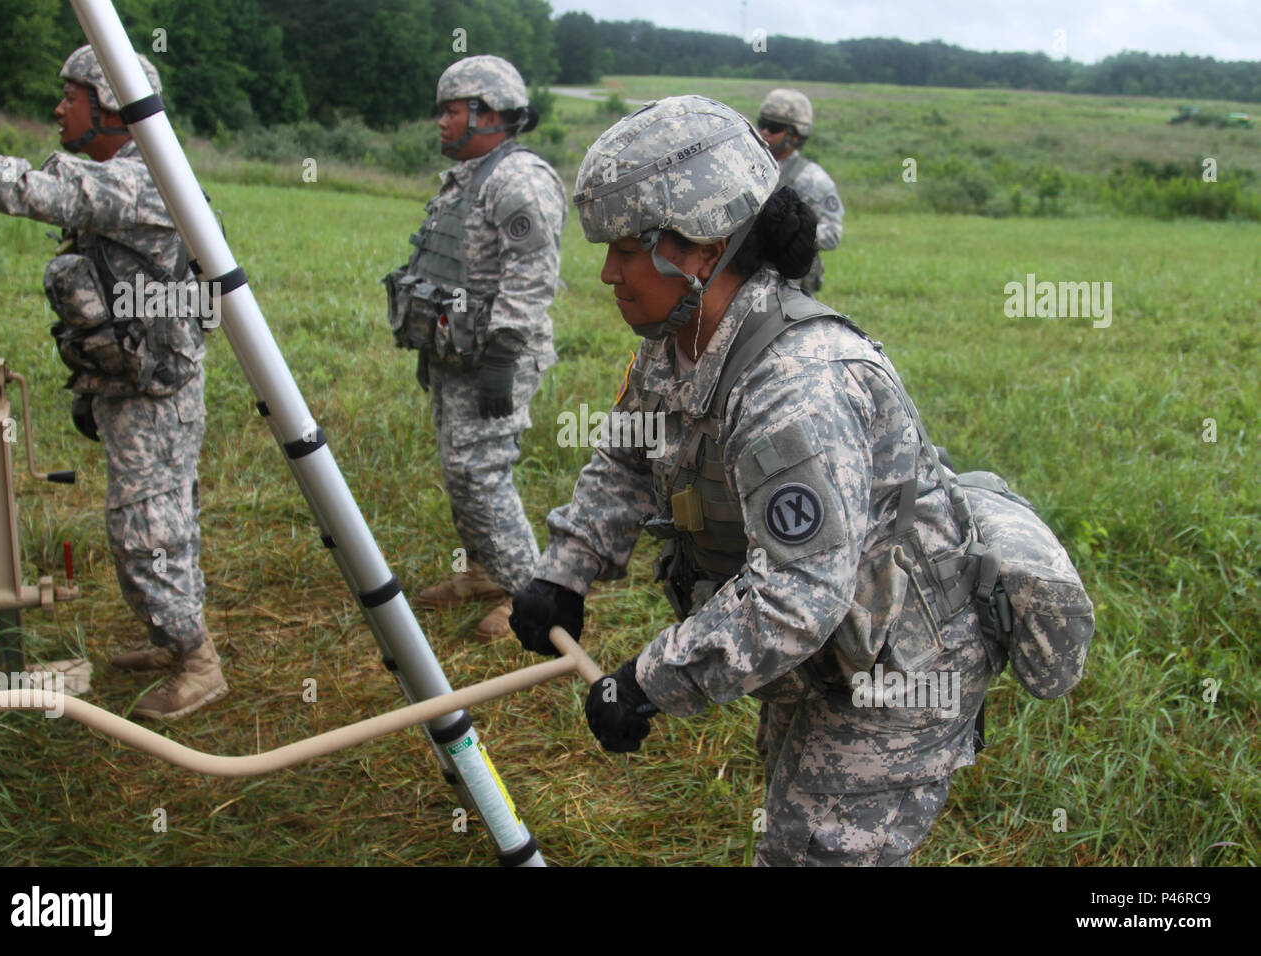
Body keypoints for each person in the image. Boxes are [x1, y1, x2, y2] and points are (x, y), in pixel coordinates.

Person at [509, 96, 997, 866]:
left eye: (627, 249)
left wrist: (647, 681)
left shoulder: (799, 386)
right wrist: (564, 571)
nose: (606, 273)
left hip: (893, 672)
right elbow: (630, 454)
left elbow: (798, 593)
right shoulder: (677, 342)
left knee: (815, 853)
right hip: (825, 653)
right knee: (789, 822)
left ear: (701, 249)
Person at [0, 46, 226, 720]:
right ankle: (176, 639)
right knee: (170, 515)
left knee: (143, 526)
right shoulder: (137, 177)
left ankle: (196, 661)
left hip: (153, 393)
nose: (58, 108)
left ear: (111, 104)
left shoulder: (135, 181)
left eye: (70, 95)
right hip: (139, 381)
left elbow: (31, 189)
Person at [384, 55, 566, 640]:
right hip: (456, 352)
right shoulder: (470, 176)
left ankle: (532, 598)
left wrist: (503, 358)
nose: (440, 121)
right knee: (459, 468)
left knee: (481, 473)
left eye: (451, 110)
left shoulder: (519, 179)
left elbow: (531, 277)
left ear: (487, 114)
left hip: (494, 357)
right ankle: (485, 570)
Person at [756, 89, 843, 296]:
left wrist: (791, 233)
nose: (765, 131)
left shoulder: (813, 179)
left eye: (774, 127)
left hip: (789, 282)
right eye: (762, 123)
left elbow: (832, 234)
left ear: (795, 135)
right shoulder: (748, 167)